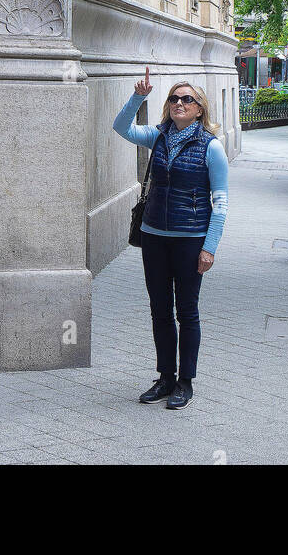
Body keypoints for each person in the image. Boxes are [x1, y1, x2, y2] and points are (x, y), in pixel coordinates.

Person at [113, 67, 228, 409]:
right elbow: (121, 127)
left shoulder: (211, 147)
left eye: (187, 99)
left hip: (191, 239)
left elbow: (220, 201)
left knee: (186, 312)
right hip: (154, 237)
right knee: (159, 309)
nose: (179, 103)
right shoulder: (158, 136)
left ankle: (185, 381)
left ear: (199, 108)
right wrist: (138, 96)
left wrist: (210, 247)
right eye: (174, 98)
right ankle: (164, 377)